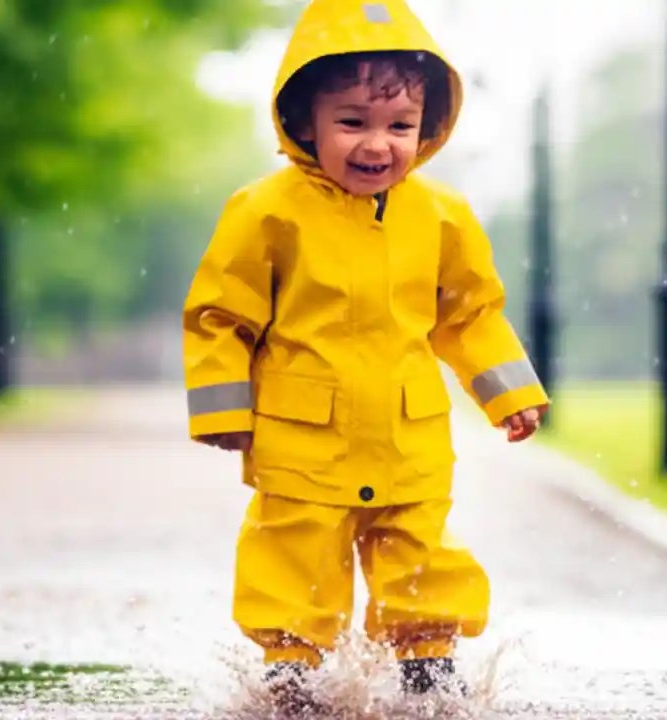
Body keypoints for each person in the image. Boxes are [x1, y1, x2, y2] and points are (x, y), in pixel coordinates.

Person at [181, 0, 549, 712]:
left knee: (421, 552)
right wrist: (224, 405)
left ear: (427, 127)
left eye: (399, 126)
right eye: (352, 122)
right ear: (303, 121)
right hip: (303, 434)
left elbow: (469, 314)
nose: (377, 144)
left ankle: (429, 664)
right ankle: (295, 670)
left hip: (407, 435)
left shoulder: (442, 217)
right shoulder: (267, 211)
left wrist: (509, 392)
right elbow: (220, 316)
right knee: (295, 553)